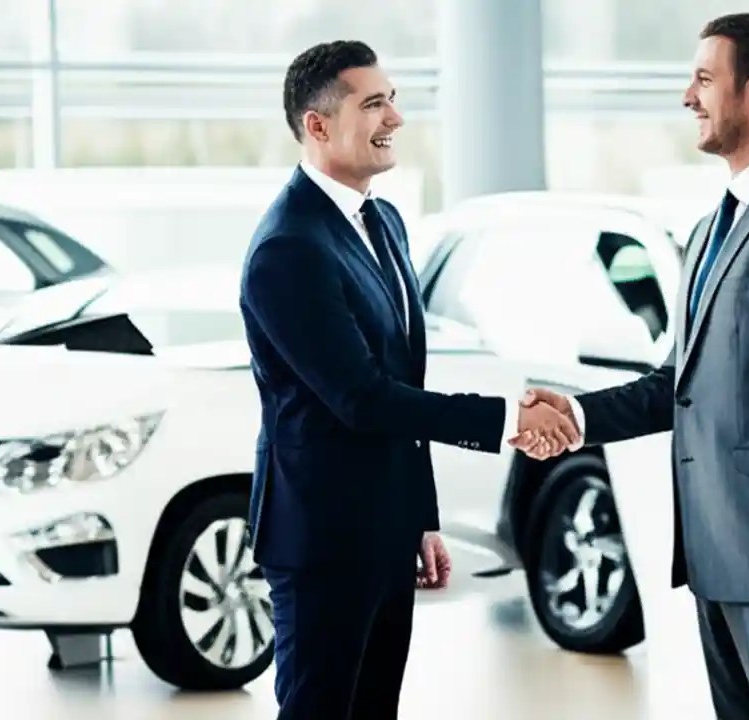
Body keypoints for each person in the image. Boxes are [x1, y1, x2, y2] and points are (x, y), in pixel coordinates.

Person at [515, 13, 749, 720]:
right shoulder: (712, 227)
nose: (689, 97)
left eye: (705, 80)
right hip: (720, 557)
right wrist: (577, 415)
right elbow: (677, 385)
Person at [238, 40, 578, 719]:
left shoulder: (383, 220)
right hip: (323, 537)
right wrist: (509, 420)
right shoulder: (288, 247)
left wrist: (419, 517)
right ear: (317, 125)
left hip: (385, 529)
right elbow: (362, 399)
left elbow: (403, 377)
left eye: (392, 99)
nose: (395, 117)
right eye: (374, 104)